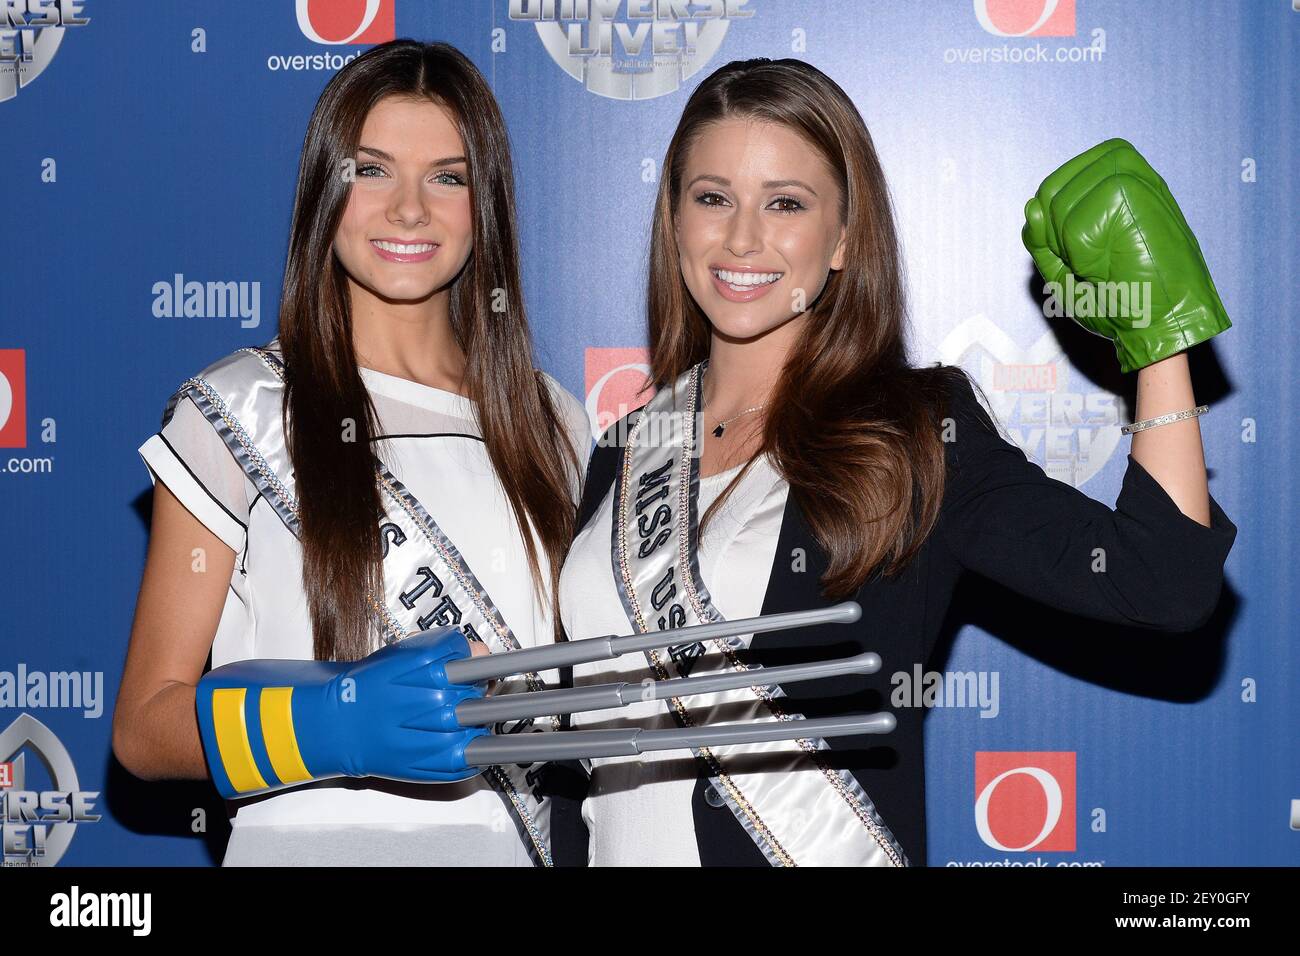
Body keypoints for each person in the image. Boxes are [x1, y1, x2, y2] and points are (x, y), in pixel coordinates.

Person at [549, 58, 1238, 866]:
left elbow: (1161, 583)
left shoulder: (913, 433)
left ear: (843, 238)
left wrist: (1160, 343)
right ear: (673, 222)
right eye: (712, 198)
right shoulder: (625, 451)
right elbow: (577, 756)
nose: (742, 237)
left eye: (785, 203)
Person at [114, 40, 590, 867]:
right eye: (371, 171)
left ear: (488, 204)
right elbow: (144, 728)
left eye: (448, 176)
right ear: (323, 190)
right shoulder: (236, 407)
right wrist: (328, 722)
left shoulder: (553, 422)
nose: (409, 209)